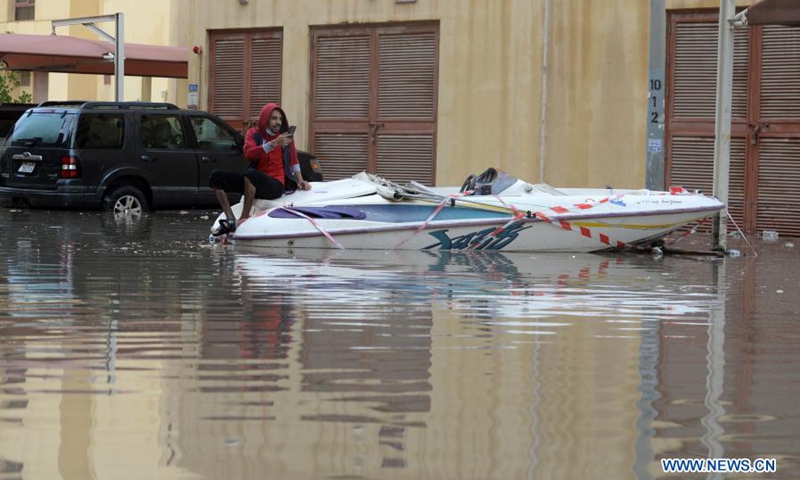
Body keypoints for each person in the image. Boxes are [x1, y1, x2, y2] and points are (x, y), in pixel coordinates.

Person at [209, 103, 311, 235]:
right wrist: (273, 144)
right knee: (216, 176)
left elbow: (293, 159)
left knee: (251, 175)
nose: (278, 122)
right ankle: (230, 219)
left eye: (280, 119)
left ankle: (243, 218)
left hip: (275, 185)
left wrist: (300, 180)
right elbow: (249, 154)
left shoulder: (285, 138)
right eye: (274, 118)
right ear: (265, 119)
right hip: (252, 183)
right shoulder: (254, 134)